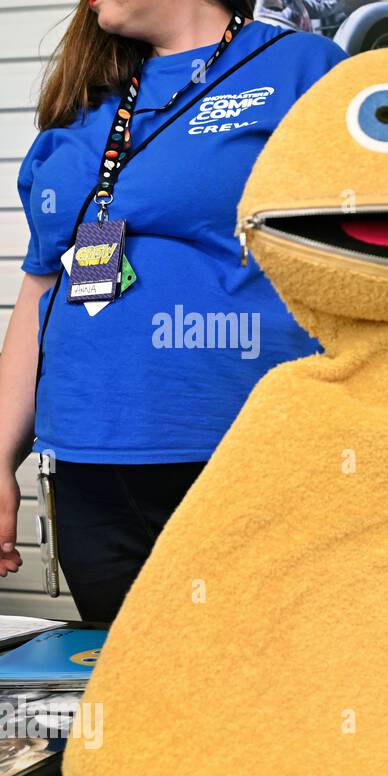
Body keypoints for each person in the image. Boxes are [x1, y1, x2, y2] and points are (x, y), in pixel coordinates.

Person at [0, 0, 346, 622]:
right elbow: (40, 289)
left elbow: (367, 263)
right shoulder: (85, 104)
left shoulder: (303, 69)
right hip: (89, 469)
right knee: (133, 693)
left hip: (243, 456)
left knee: (259, 690)